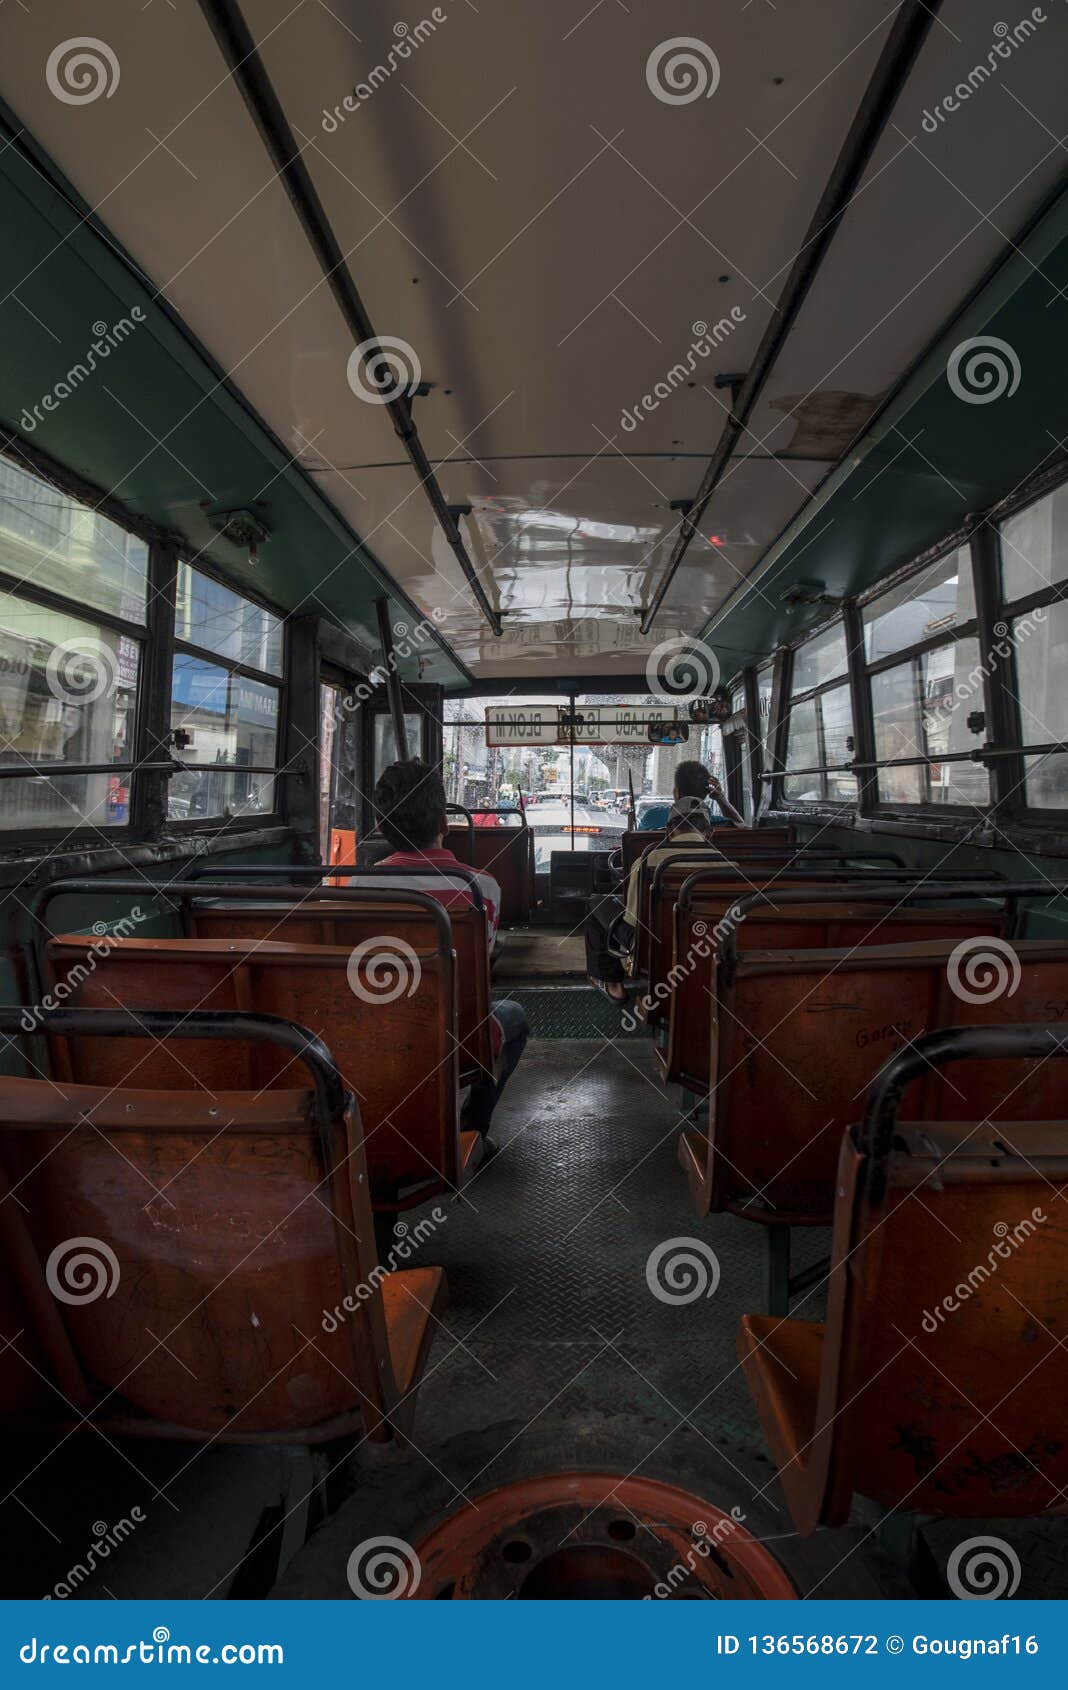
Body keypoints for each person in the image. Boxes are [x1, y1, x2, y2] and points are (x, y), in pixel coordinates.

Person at [366, 758, 529, 1148]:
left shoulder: (360, 884)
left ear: (381, 825)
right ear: (443, 824)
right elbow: (481, 964)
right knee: (514, 1016)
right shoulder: (482, 889)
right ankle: (471, 1129)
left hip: (380, 1038)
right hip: (459, 1040)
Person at [584, 761, 744, 1003]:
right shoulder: (729, 865)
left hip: (654, 945)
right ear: (709, 833)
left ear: (669, 829)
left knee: (596, 904)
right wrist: (720, 799)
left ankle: (613, 984)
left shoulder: (650, 850)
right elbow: (743, 827)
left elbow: (632, 917)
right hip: (712, 944)